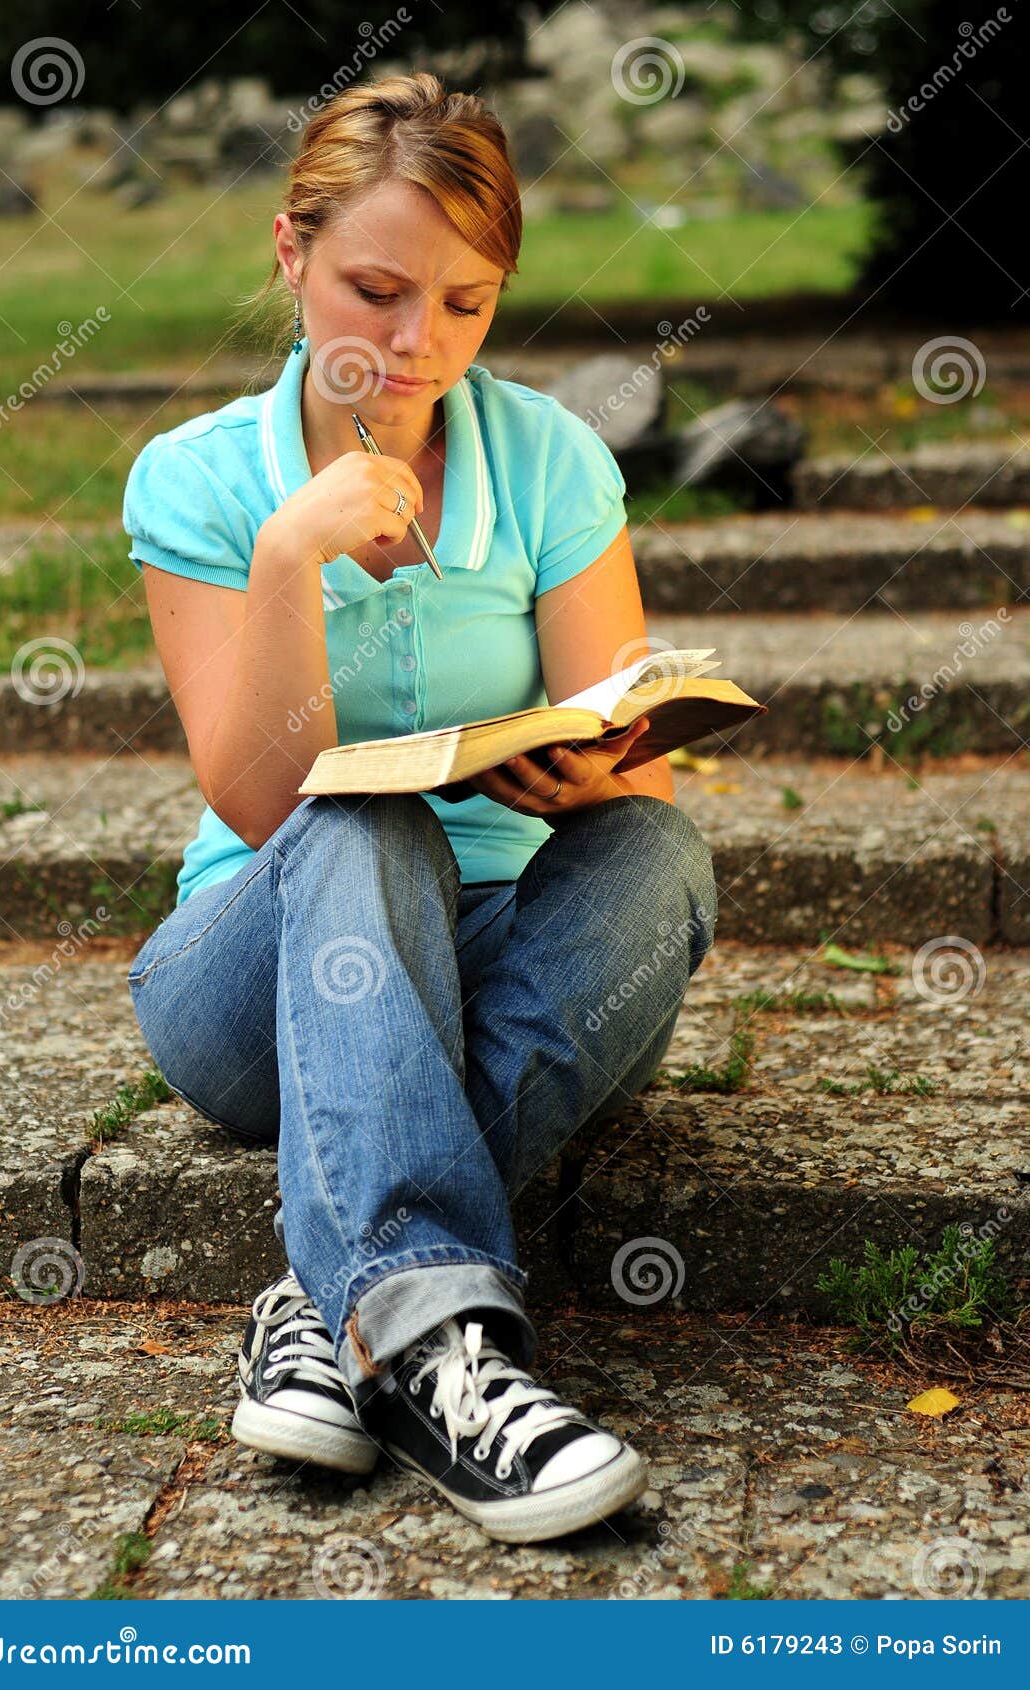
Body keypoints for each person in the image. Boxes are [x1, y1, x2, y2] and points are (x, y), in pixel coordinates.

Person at [123, 71, 717, 1545]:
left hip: (505, 960)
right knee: (358, 816)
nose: (416, 345)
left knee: (659, 851)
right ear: (291, 254)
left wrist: (590, 772)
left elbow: (631, 757)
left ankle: (332, 1290)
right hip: (254, 978)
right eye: (376, 293)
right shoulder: (199, 479)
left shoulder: (550, 460)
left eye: (466, 304)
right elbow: (257, 795)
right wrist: (289, 556)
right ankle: (449, 1355)